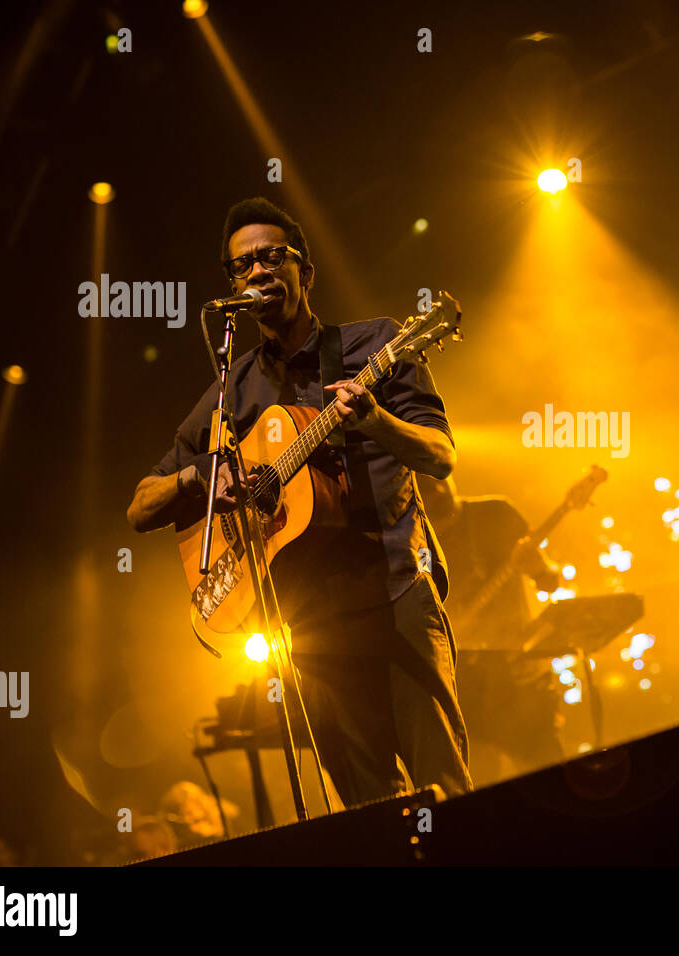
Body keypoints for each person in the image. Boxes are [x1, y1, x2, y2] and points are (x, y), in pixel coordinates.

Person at [126, 197, 471, 808]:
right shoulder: (231, 393)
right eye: (242, 266)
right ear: (233, 284)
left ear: (304, 272)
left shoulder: (379, 343)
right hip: (312, 629)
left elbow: (439, 457)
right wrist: (203, 478)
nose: (258, 271)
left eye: (272, 256)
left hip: (396, 592)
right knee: (370, 815)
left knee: (443, 793)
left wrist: (376, 422)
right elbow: (140, 507)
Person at [418, 474, 566, 785]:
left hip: (520, 677)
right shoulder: (416, 548)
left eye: (441, 477)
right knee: (483, 784)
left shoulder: (497, 514)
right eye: (426, 485)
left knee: (551, 773)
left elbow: (550, 580)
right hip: (467, 690)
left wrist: (538, 568)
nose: (440, 488)